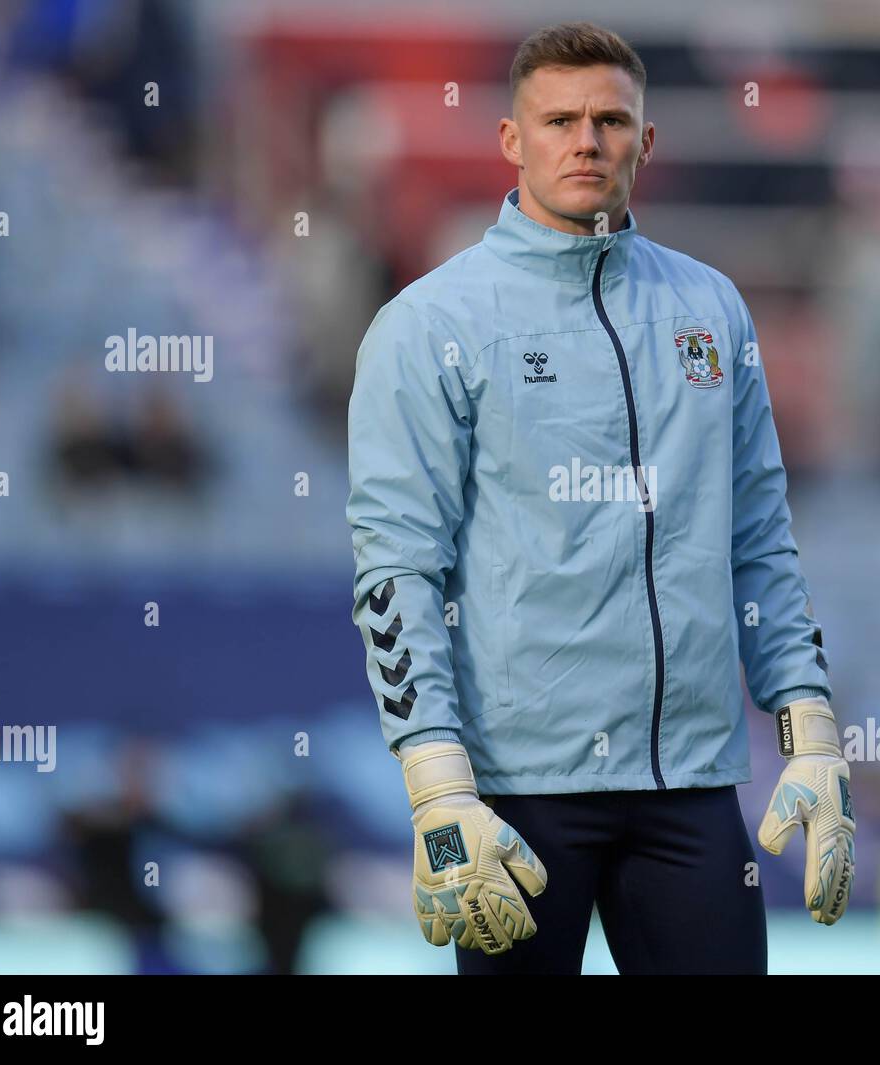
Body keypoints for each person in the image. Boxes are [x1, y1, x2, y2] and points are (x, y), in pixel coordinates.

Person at [346, 21, 854, 975]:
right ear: (512, 140)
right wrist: (436, 785)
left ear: (645, 142)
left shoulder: (711, 310)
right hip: (515, 796)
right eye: (560, 119)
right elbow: (396, 569)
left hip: (689, 788)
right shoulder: (427, 325)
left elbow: (759, 539)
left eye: (611, 119)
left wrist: (810, 729)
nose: (587, 140)